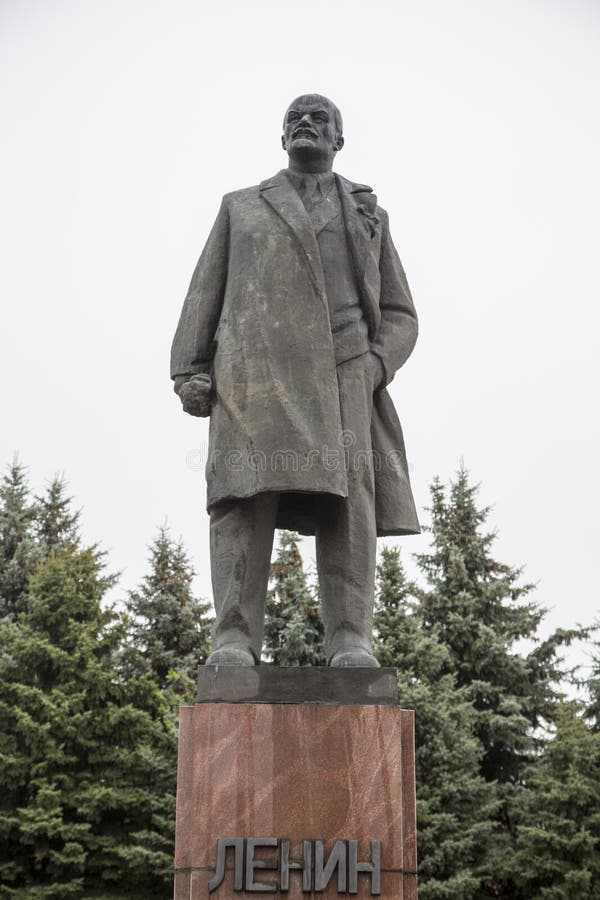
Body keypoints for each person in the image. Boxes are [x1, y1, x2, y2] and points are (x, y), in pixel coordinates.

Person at [171, 94, 419, 667]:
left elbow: (401, 312)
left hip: (343, 375)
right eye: (294, 119)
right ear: (282, 138)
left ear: (339, 139)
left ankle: (350, 638)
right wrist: (189, 370)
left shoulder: (368, 216)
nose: (305, 123)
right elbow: (205, 292)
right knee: (243, 497)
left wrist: (374, 367)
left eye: (320, 118)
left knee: (348, 504)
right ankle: (234, 638)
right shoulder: (242, 207)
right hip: (253, 378)